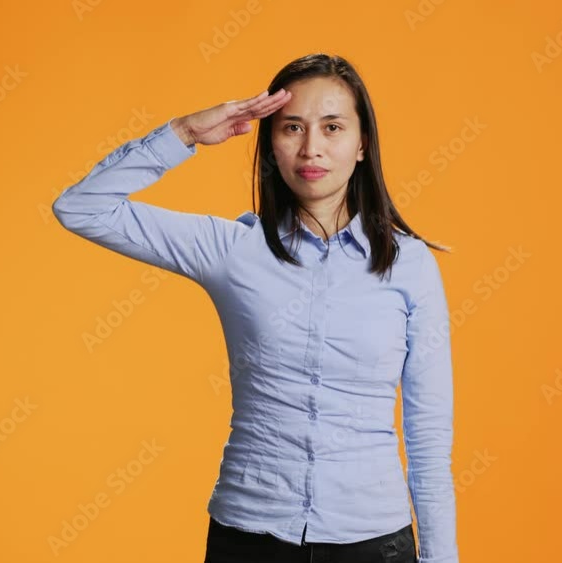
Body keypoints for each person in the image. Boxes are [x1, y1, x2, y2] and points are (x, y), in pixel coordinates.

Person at [52, 53, 458, 563]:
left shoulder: (410, 266)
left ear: (362, 145)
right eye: (292, 128)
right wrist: (183, 133)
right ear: (270, 145)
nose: (312, 147)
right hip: (249, 538)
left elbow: (428, 436)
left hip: (373, 542)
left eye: (332, 127)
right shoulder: (231, 248)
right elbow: (81, 208)